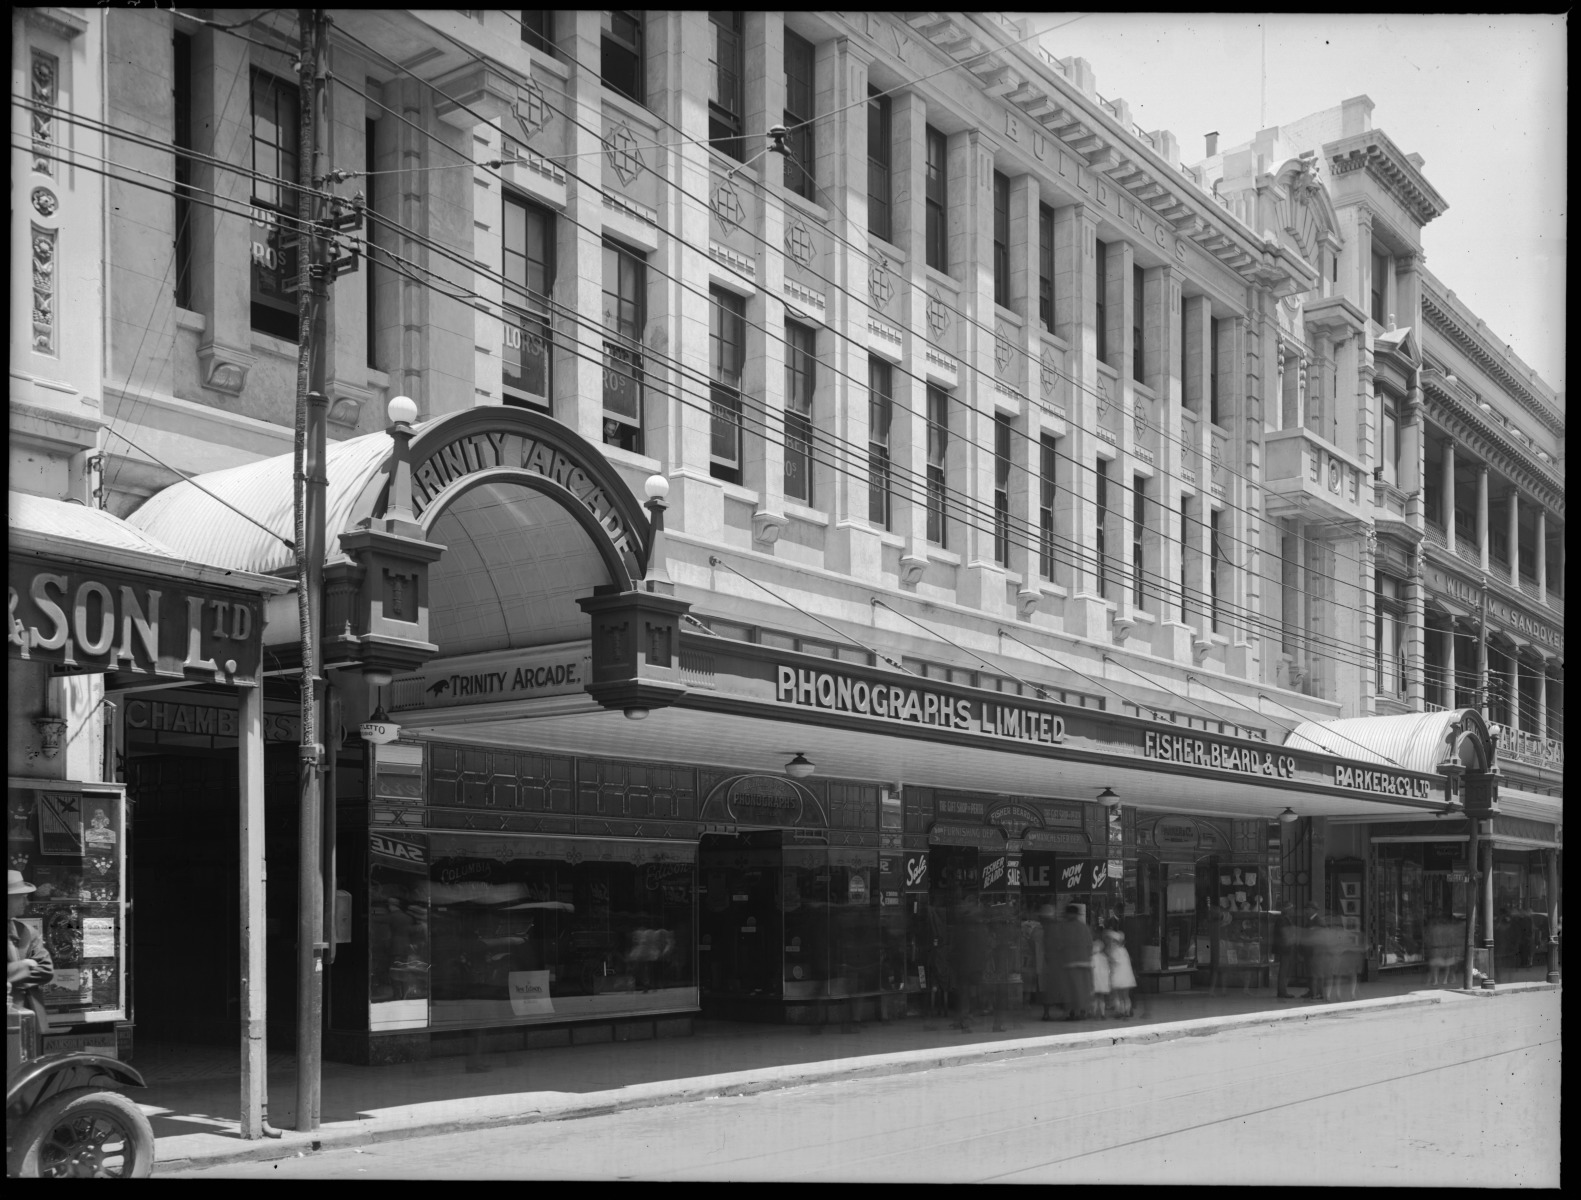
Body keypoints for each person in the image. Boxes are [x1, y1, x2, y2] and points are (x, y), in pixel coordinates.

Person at [8, 870, 54, 1034]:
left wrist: (11, 977)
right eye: (21, 896)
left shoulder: (27, 932)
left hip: (28, 1020)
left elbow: (46, 970)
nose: (26, 902)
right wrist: (24, 966)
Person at [1050, 904, 1094, 1020]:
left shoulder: (1063, 927)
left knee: (1070, 990)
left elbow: (1059, 945)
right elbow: (1090, 945)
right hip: (1084, 962)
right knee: (1082, 988)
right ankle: (1080, 1011)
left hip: (1069, 963)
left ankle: (1070, 1012)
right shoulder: (1085, 927)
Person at [1104, 918, 1136, 1017]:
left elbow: (1112, 961)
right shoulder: (1124, 950)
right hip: (1127, 978)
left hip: (1118, 978)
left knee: (1118, 995)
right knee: (1125, 996)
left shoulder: (1113, 951)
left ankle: (1120, 1011)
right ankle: (1126, 1010)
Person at [1090, 928, 1112, 1018]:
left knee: (1095, 998)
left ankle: (1094, 1013)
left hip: (1095, 980)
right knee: (1102, 998)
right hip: (1103, 981)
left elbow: (1090, 968)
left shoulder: (1092, 957)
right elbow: (1108, 969)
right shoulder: (1104, 957)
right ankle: (1102, 1013)